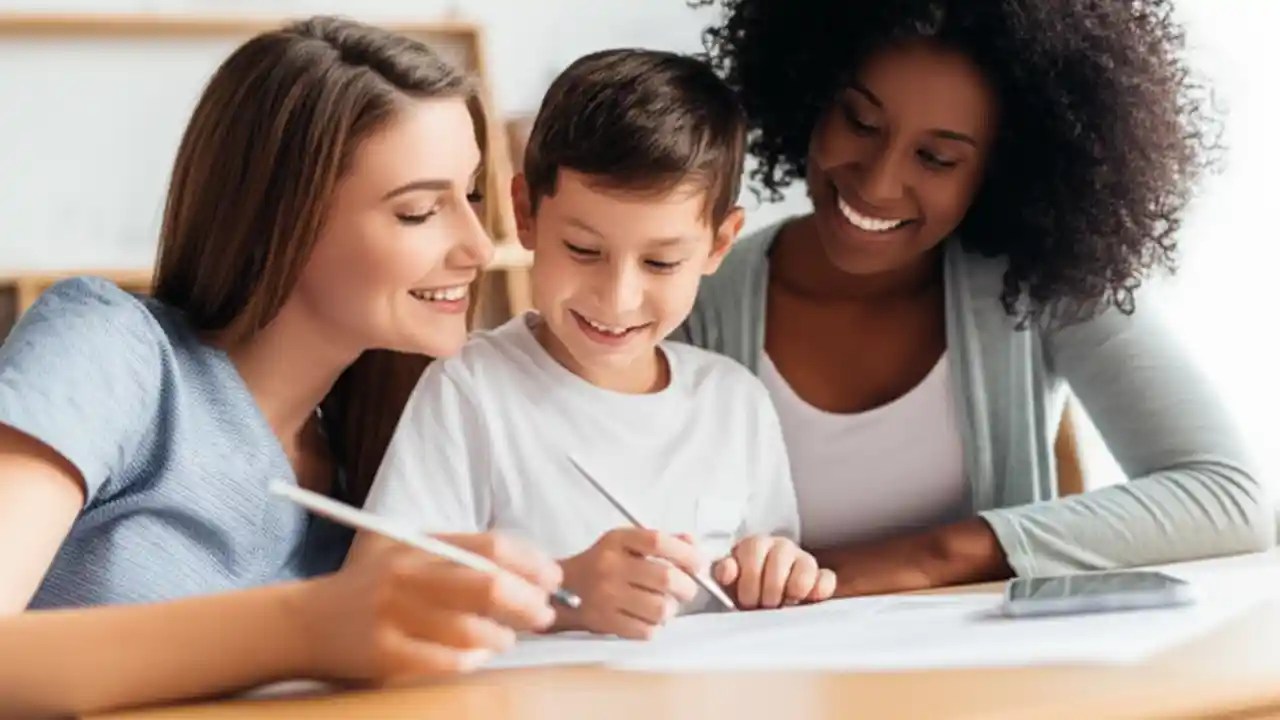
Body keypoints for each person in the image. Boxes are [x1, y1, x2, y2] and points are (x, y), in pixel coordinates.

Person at [0, 17, 563, 717]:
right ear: (283, 224)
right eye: (419, 211)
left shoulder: (380, 454)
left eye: (472, 195)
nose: (478, 247)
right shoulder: (111, 348)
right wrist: (309, 626)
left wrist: (562, 595)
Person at [680, 0, 1275, 596]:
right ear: (813, 100)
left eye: (937, 158)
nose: (879, 182)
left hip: (999, 686)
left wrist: (933, 557)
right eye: (860, 122)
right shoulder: (687, 299)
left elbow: (1229, 499)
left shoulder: (1038, 284)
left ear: (998, 171)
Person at [363, 49, 836, 640]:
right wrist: (563, 592)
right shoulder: (472, 389)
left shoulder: (734, 403)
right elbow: (377, 595)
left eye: (661, 262)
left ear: (719, 244)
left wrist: (774, 572)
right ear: (525, 213)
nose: (616, 299)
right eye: (584, 251)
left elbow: (764, 578)